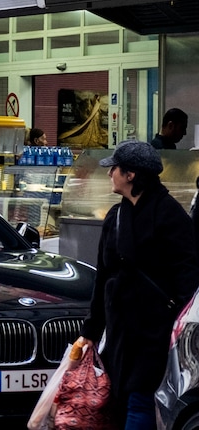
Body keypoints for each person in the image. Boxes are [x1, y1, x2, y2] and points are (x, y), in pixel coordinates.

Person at [77, 140, 199, 429]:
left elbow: (188, 275)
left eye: (114, 168)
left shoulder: (170, 216)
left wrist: (175, 323)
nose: (109, 174)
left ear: (131, 175)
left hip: (154, 331)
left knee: (139, 397)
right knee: (121, 397)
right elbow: (103, 276)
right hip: (120, 332)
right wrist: (91, 332)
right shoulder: (116, 217)